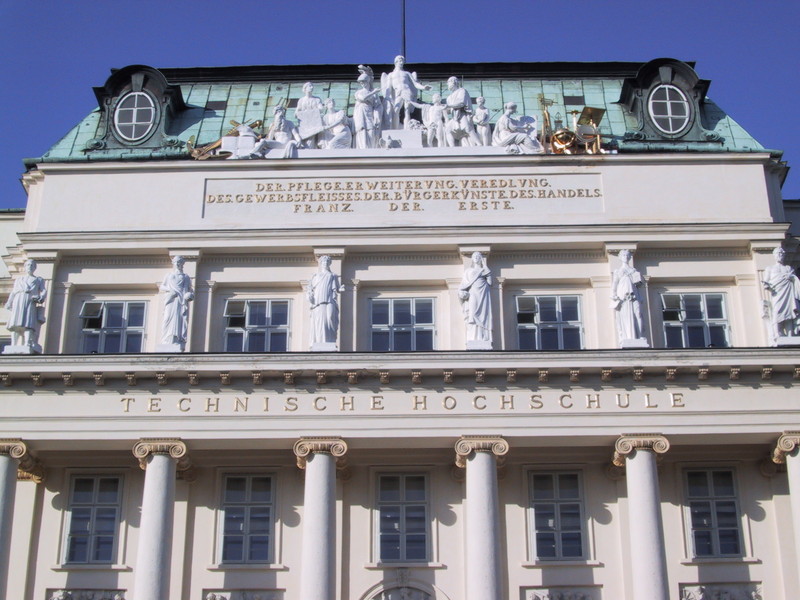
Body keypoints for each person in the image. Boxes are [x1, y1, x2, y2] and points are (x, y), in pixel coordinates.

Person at [4, 258, 46, 351]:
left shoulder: (38, 280)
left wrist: (40, 297)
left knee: (29, 322)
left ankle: (27, 342)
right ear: (25, 267)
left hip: (30, 301)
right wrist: (9, 302)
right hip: (19, 300)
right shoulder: (19, 279)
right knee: (15, 323)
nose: (30, 267)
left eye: (32, 265)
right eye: (28, 265)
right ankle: (14, 344)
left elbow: (43, 290)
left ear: (34, 267)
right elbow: (13, 292)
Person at [381, 55, 431, 129]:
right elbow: (388, 88)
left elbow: (415, 84)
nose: (402, 62)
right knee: (395, 111)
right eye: (400, 61)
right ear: (396, 62)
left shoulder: (407, 73)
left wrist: (423, 87)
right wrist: (387, 98)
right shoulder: (391, 75)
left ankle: (406, 129)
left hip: (407, 91)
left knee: (407, 110)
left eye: (403, 61)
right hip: (398, 93)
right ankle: (395, 129)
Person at [762, 246, 800, 342]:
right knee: (777, 311)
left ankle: (790, 335)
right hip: (777, 293)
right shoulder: (770, 268)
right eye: (778, 254)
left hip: (788, 293)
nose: (780, 256)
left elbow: (795, 279)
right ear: (774, 256)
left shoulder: (788, 268)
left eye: (782, 254)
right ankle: (776, 334)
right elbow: (766, 281)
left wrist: (791, 276)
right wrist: (766, 285)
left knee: (790, 313)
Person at [308, 255, 345, 349]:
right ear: (320, 264)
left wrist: (341, 289)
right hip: (318, 302)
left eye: (327, 262)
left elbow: (337, 288)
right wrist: (310, 296)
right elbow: (310, 290)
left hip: (330, 301)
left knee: (330, 318)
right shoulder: (315, 276)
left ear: (329, 264)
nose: (325, 264)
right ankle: (321, 342)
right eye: (323, 262)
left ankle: (330, 340)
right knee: (320, 321)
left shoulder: (333, 275)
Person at [610, 249, 646, 344]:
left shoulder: (634, 271)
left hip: (634, 296)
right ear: (620, 258)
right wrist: (613, 295)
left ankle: (640, 336)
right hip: (623, 298)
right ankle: (627, 337)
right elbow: (615, 284)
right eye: (623, 256)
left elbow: (638, 285)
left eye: (627, 256)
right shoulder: (618, 271)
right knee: (625, 316)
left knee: (638, 314)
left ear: (630, 257)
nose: (625, 257)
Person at [159, 255, 194, 351]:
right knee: (167, 319)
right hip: (171, 300)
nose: (178, 264)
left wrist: (189, 295)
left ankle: (177, 339)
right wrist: (170, 290)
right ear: (174, 264)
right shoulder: (169, 275)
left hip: (180, 301)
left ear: (182, 264)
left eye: (180, 263)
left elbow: (190, 290)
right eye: (176, 263)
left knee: (179, 320)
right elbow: (162, 286)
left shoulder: (185, 277)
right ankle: (166, 340)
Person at [459, 252, 492, 345]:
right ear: (472, 259)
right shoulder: (468, 271)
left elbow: (490, 283)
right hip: (473, 292)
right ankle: (473, 337)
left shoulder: (484, 270)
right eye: (474, 257)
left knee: (484, 315)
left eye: (478, 256)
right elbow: (463, 285)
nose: (476, 258)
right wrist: (462, 293)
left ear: (481, 258)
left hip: (484, 293)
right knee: (472, 313)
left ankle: (483, 337)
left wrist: (487, 270)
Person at [444, 76, 480, 147]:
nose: (447, 84)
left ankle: (479, 144)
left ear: (453, 82)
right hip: (454, 117)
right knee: (448, 129)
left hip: (462, 113)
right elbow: (449, 110)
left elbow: (461, 103)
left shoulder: (462, 91)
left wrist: (449, 106)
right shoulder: (449, 97)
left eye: (448, 82)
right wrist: (443, 109)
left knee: (467, 129)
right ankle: (452, 148)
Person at [353, 66, 382, 149]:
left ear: (368, 81)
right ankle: (363, 147)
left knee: (371, 129)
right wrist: (374, 92)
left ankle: (371, 147)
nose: (362, 83)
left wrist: (377, 116)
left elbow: (378, 106)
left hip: (370, 113)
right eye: (361, 82)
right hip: (361, 113)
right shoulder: (358, 92)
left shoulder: (374, 94)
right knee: (362, 129)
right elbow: (362, 98)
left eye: (364, 81)